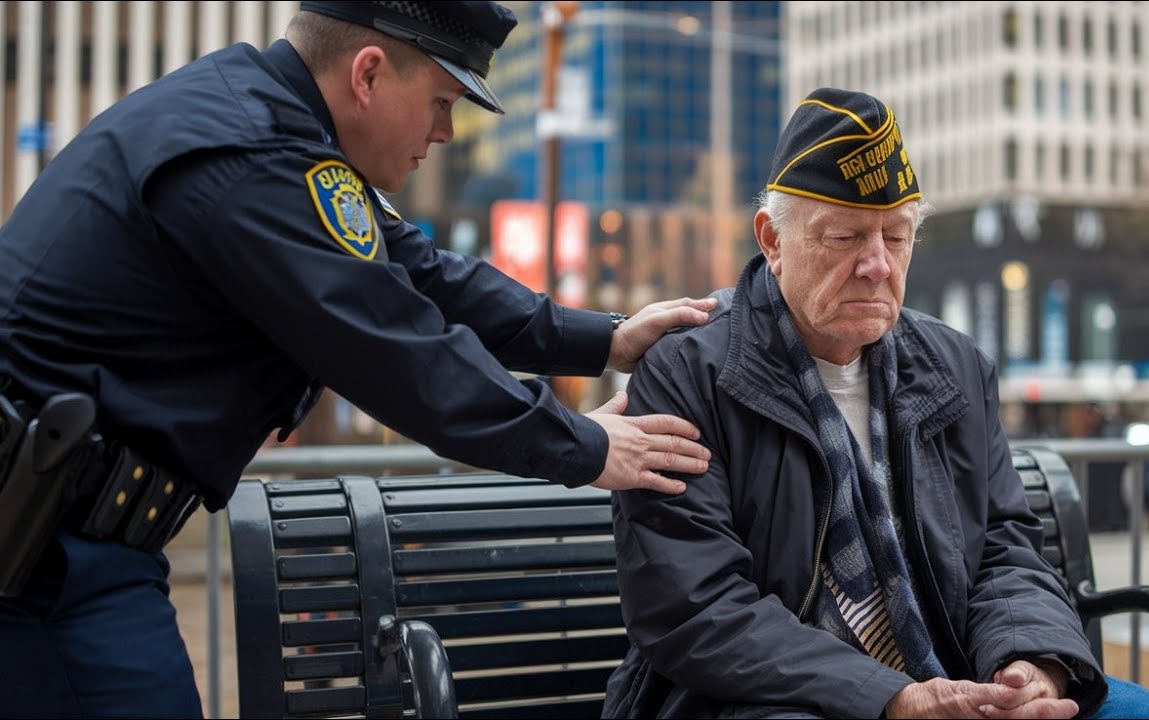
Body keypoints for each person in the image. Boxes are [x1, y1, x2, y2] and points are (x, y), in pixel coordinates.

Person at [0, 2, 716, 717]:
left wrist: (606, 338)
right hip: (41, 560)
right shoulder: (249, 158)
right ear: (368, 74)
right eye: (441, 101)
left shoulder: (269, 129)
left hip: (75, 543)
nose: (445, 131)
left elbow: (424, 276)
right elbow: (394, 350)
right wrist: (587, 444)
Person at [603, 88, 1149, 719]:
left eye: (897, 236)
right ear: (772, 240)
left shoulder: (956, 367)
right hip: (758, 700)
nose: (877, 265)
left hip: (950, 681)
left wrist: (1029, 665)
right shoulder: (687, 374)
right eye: (845, 237)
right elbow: (697, 607)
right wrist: (892, 698)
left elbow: (1003, 549)